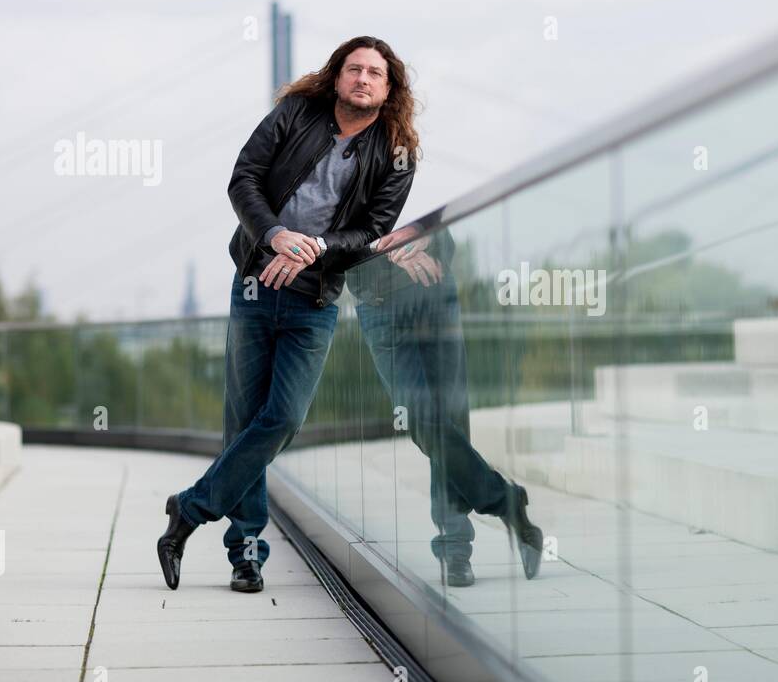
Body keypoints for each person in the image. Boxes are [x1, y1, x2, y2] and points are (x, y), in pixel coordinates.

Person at [157, 35, 417, 593]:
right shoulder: (296, 113)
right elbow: (244, 179)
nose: (363, 79)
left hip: (315, 296)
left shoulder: (396, 150)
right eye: (355, 69)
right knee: (244, 418)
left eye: (376, 73)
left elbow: (373, 231)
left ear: (389, 87)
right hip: (254, 279)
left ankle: (189, 510)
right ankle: (245, 557)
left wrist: (314, 249)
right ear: (338, 75)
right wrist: (274, 236)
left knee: (284, 417)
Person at [349, 219, 545, 587]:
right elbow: (336, 235)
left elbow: (444, 211)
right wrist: (384, 252)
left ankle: (455, 550)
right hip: (379, 303)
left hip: (433, 290)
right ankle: (505, 501)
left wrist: (426, 237)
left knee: (451, 421)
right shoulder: (336, 168)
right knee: (420, 420)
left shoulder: (415, 162)